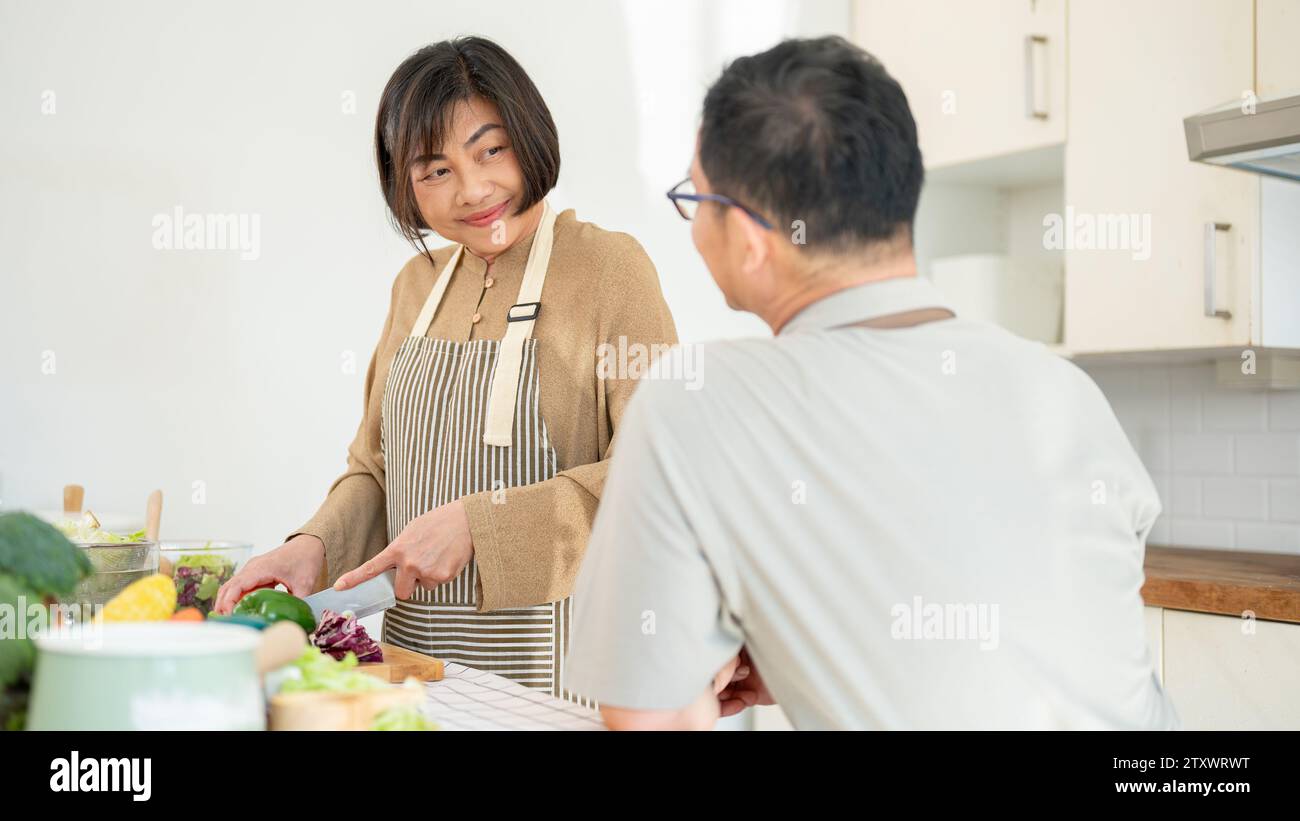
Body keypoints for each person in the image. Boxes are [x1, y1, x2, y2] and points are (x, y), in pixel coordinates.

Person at [564, 35, 1177, 729]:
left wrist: (703, 684)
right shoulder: (1064, 388)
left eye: (697, 198)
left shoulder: (698, 398)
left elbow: (652, 721)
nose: (693, 224)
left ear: (752, 238)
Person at [215, 36, 676, 702]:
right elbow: (376, 469)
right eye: (435, 170)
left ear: (530, 136)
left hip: (560, 687)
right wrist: (314, 546)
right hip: (413, 678)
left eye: (491, 150)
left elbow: (658, 480)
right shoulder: (416, 285)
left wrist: (480, 526)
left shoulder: (610, 270)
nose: (473, 189)